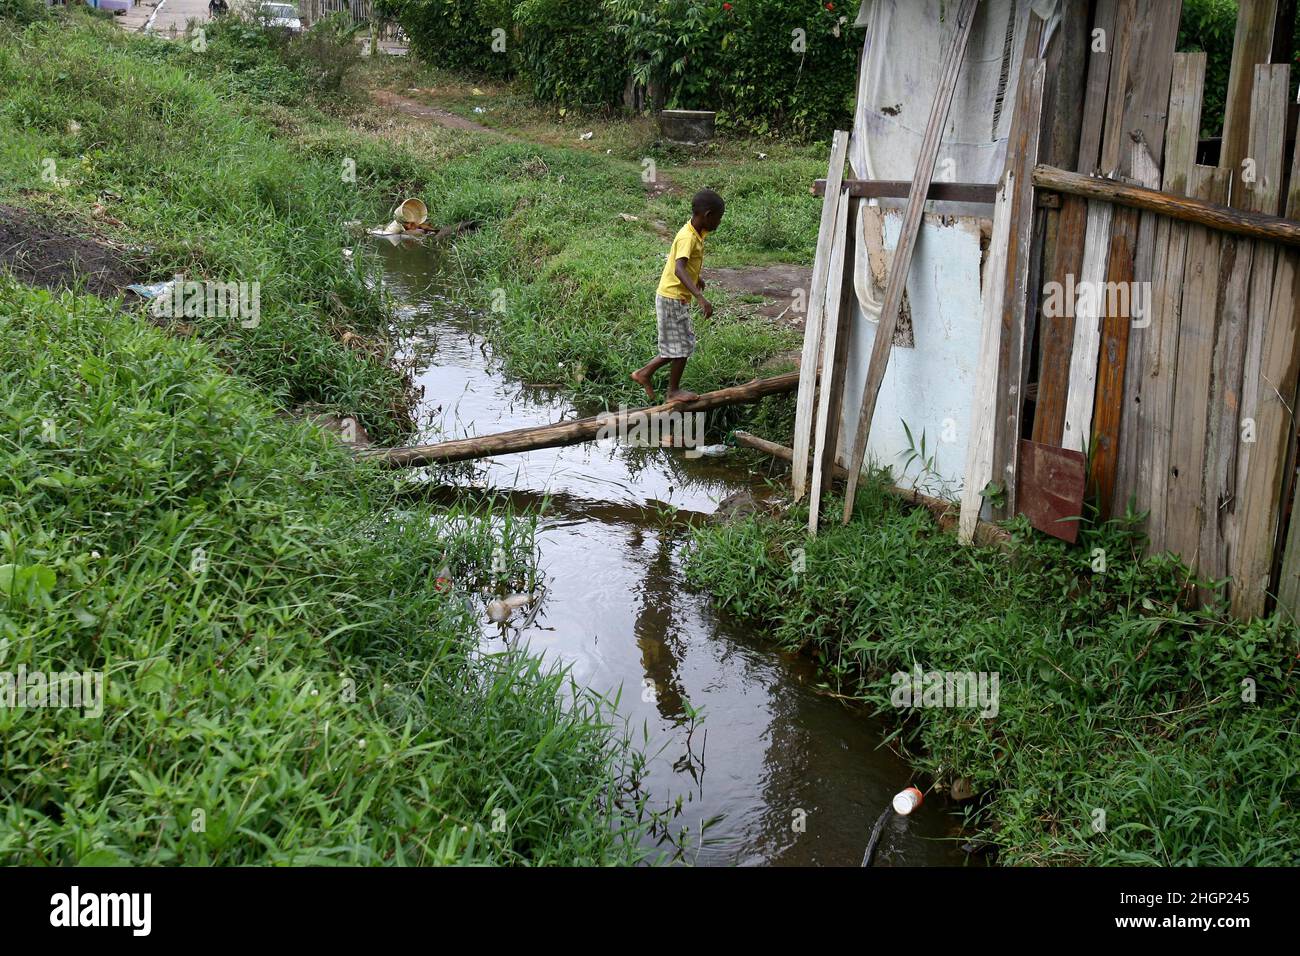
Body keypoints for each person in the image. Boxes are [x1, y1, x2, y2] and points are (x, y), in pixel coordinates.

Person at [631, 188, 725, 403]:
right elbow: (679, 269)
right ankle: (672, 391)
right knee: (681, 346)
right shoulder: (687, 237)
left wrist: (697, 277)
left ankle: (645, 373)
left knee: (680, 345)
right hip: (672, 297)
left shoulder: (697, 232)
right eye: (718, 218)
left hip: (675, 297)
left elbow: (688, 265)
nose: (719, 223)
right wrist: (700, 297)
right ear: (708, 215)